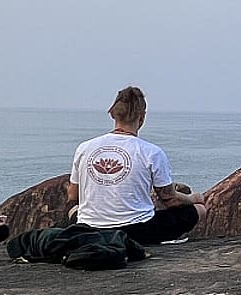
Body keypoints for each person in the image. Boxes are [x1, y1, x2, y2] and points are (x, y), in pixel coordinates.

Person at [68, 86, 207, 245]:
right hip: (137, 232)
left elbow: (73, 196)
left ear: (113, 114)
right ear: (142, 117)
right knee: (199, 209)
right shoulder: (151, 152)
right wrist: (192, 198)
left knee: (73, 211)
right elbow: (169, 199)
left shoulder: (84, 148)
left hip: (90, 230)